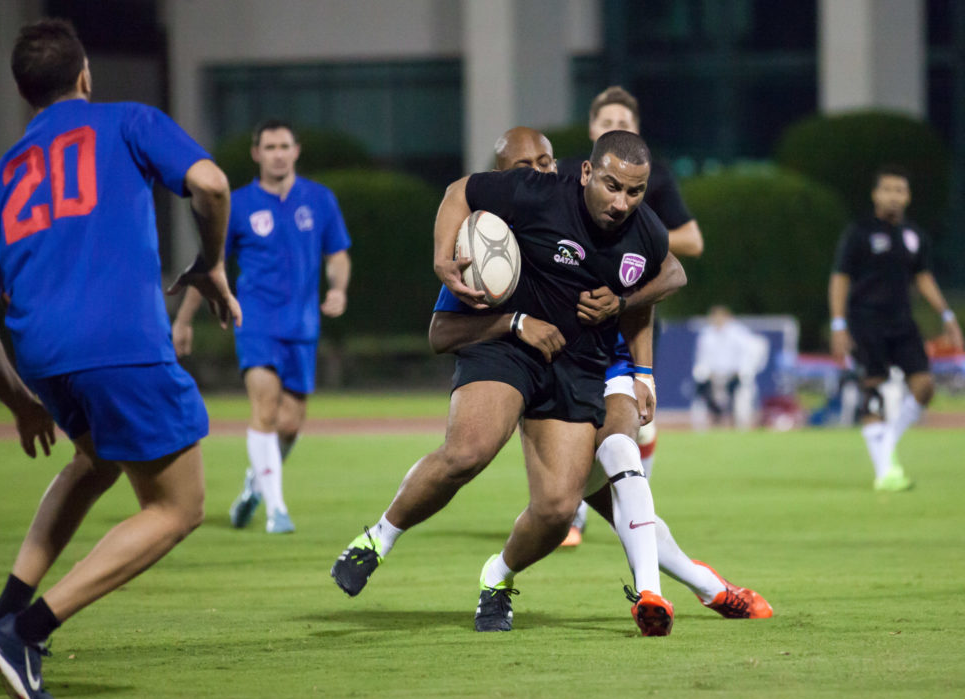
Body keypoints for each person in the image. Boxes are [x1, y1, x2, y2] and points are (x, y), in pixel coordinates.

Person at [0, 19, 240, 699]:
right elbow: (212, 184)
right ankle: (26, 629)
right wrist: (211, 262)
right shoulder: (127, 120)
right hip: (120, 345)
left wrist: (22, 402)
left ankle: (3, 608)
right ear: (85, 75)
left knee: (95, 459)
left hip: (44, 357)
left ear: (27, 97)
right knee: (179, 507)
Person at [331, 128, 678, 635]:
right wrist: (441, 261)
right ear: (585, 173)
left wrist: (628, 318)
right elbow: (458, 192)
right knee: (469, 450)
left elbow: (665, 277)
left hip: (577, 364)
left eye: (634, 191)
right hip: (506, 350)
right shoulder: (518, 209)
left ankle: (498, 578)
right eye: (610, 185)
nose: (621, 202)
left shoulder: (644, 232)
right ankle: (377, 539)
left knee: (559, 509)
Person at [431, 128, 772, 630]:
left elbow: (662, 278)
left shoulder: (628, 220)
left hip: (609, 365)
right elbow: (447, 326)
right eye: (525, 170)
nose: (540, 174)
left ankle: (659, 595)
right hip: (560, 382)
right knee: (613, 506)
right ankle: (709, 587)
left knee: (621, 457)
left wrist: (644, 371)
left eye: (545, 163)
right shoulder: (500, 243)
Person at [173, 120, 351, 534]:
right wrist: (183, 320)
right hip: (254, 320)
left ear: (296, 150)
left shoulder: (320, 200)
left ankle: (254, 486)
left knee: (290, 423)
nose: (277, 153)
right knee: (265, 410)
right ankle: (276, 510)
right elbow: (209, 267)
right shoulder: (235, 205)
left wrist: (338, 288)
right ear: (257, 154)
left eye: (284, 145)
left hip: (302, 325)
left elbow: (338, 255)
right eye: (269, 146)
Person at [559, 86, 705, 546]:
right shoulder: (570, 176)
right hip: (575, 319)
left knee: (642, 420)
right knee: (577, 417)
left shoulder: (654, 179)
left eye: (624, 120)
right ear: (592, 130)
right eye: (606, 122)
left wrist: (643, 236)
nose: (615, 127)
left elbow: (693, 242)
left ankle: (634, 506)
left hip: (633, 315)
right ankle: (574, 515)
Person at [829, 165, 962, 491]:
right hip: (866, 321)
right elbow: (840, 277)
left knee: (925, 387)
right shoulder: (859, 233)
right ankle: (885, 471)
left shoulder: (914, 237)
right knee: (872, 390)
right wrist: (838, 323)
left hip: (902, 322)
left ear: (908, 196)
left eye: (899, 190)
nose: (893, 196)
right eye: (887, 189)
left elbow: (923, 276)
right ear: (875, 194)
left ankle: (887, 443)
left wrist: (946, 314)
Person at [690, 305, 770, 429]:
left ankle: (740, 425)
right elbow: (702, 359)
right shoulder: (706, 335)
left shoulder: (739, 333)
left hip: (734, 375)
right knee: (700, 388)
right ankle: (707, 423)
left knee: (742, 394)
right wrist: (707, 374)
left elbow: (750, 354)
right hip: (714, 376)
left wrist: (739, 371)